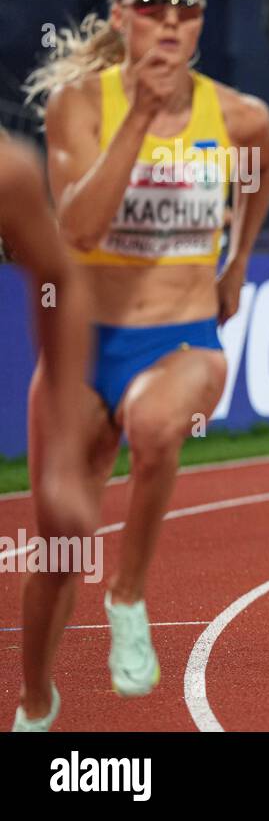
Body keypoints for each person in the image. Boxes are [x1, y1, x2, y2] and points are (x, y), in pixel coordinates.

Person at [22, 0, 269, 703]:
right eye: (153, 8)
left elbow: (255, 187)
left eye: (187, 9)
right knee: (61, 544)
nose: (171, 23)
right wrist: (140, 115)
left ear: (201, 23)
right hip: (83, 349)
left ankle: (128, 594)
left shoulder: (242, 119)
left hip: (184, 336)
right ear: (120, 18)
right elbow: (79, 232)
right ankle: (35, 698)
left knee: (159, 425)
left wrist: (237, 265)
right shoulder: (81, 105)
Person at [1, 137, 94, 732]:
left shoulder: (8, 173)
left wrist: (61, 456)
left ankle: (36, 700)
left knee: (67, 545)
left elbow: (60, 277)